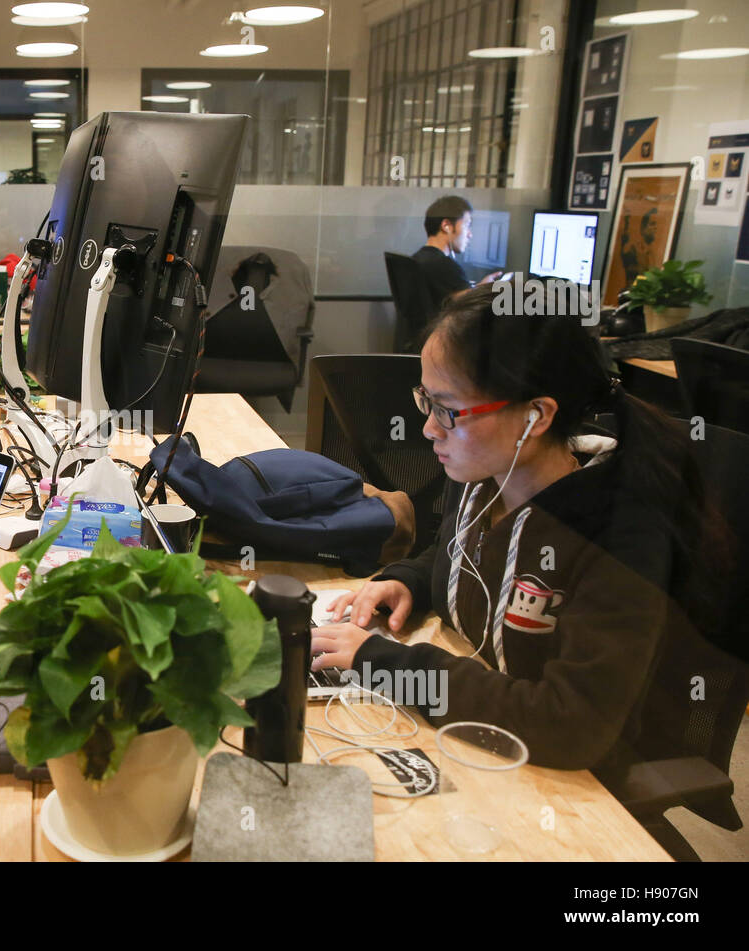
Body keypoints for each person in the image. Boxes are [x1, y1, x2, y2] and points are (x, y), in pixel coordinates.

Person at [310, 283, 733, 783]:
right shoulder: (486, 475)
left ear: (536, 416)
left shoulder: (618, 530)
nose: (428, 428)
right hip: (483, 734)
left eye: (448, 410)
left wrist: (388, 664)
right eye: (425, 399)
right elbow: (456, 552)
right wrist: (407, 580)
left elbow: (570, 723)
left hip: (585, 785)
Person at [412, 195, 501, 317]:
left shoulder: (418, 257)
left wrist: (479, 288)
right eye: (467, 225)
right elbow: (469, 309)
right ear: (446, 226)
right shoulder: (444, 265)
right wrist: (486, 290)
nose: (470, 234)